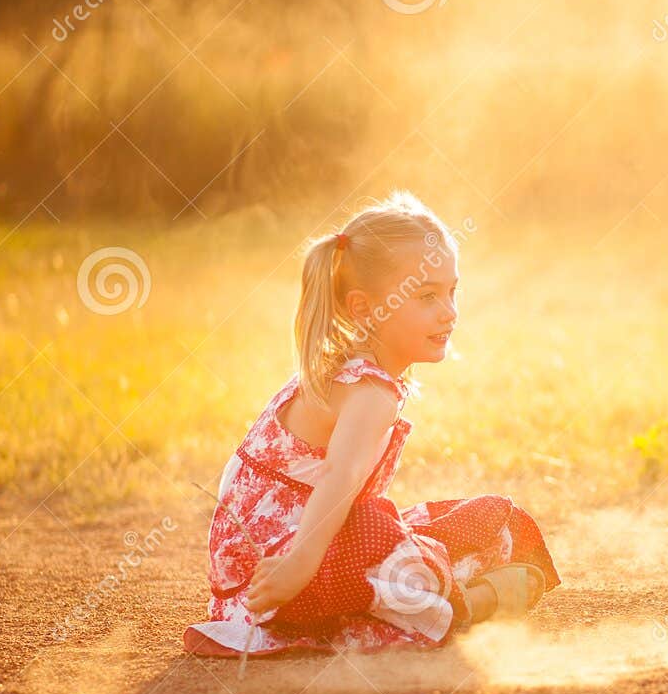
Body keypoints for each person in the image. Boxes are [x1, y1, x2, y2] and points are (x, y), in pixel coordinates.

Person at [184, 192, 559, 658]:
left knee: (488, 518)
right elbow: (338, 480)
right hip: (279, 568)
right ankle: (464, 604)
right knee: (380, 537)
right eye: (426, 296)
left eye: (451, 291)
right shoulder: (369, 392)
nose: (449, 311)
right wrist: (297, 567)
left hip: (292, 546)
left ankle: (439, 582)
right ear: (363, 308)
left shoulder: (353, 369)